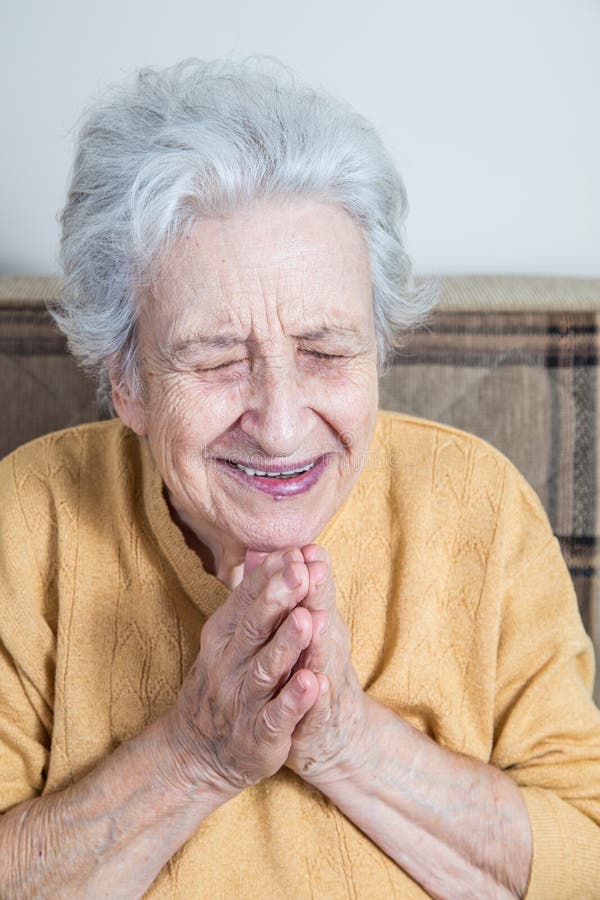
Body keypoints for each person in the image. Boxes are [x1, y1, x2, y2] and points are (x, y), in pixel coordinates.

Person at [0, 58, 598, 900]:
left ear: (378, 349)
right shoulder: (28, 519)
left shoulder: (481, 506)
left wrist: (349, 744)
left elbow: (587, 855)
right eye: (214, 359)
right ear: (126, 381)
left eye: (325, 352)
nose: (280, 426)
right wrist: (195, 752)